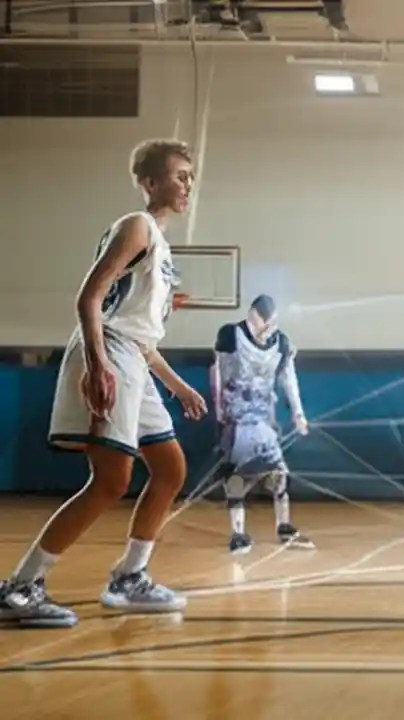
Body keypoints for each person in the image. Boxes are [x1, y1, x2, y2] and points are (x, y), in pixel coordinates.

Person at [0, 140, 205, 627]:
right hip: (108, 351)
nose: (186, 184)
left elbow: (142, 339)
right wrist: (96, 364)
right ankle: (20, 587)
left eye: (190, 177)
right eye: (178, 175)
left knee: (171, 469)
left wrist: (177, 385)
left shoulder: (161, 248)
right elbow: (88, 298)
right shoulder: (136, 226)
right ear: (150, 183)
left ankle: (129, 577)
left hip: (132, 355)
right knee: (112, 479)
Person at [210, 294, 313, 554]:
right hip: (237, 420)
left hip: (264, 420)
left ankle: (284, 525)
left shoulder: (281, 344)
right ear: (252, 316)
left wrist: (298, 414)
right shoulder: (231, 336)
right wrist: (220, 412)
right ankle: (238, 533)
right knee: (236, 477)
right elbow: (218, 373)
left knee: (279, 475)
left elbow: (289, 379)